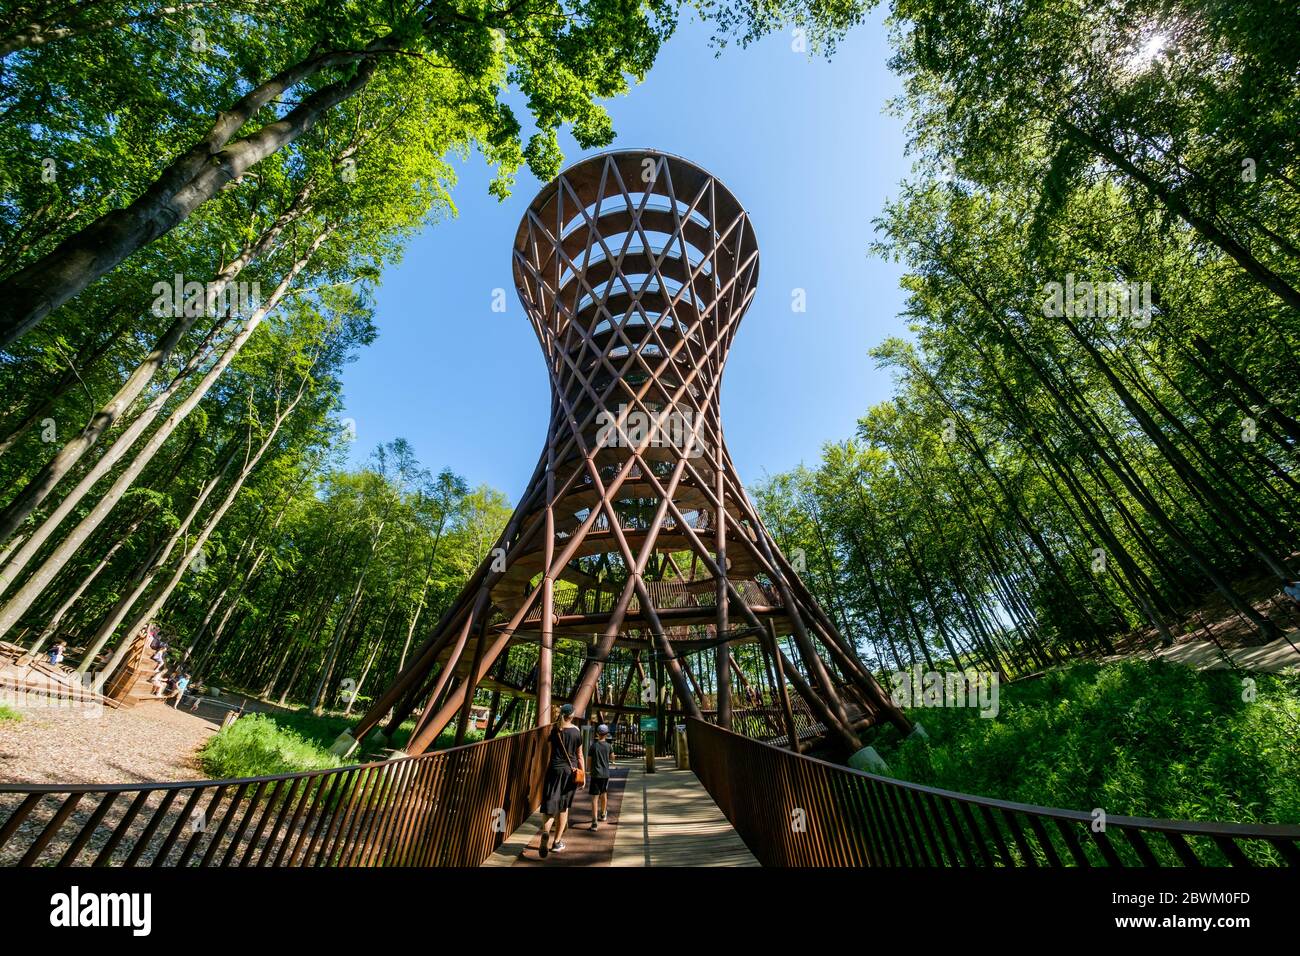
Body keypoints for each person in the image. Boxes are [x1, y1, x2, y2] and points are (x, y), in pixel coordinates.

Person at [538, 703, 584, 858]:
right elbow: (579, 756)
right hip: (569, 772)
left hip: (554, 769)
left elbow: (548, 747)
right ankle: (557, 842)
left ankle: (545, 833)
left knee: (550, 805)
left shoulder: (555, 729)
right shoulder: (576, 732)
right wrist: (582, 774)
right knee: (563, 807)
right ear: (571, 716)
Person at [587, 723, 615, 829]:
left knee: (594, 797)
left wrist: (589, 770)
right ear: (606, 734)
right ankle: (603, 814)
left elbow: (589, 760)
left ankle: (594, 822)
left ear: (597, 734)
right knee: (604, 794)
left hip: (595, 774)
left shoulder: (593, 746)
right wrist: (611, 759)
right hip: (605, 774)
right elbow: (612, 758)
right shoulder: (609, 746)